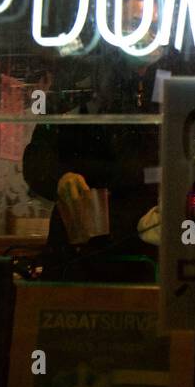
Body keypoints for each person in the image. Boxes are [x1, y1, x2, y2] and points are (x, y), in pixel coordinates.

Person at [22, 55, 160, 281]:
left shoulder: (171, 76)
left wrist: (177, 207)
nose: (146, 35)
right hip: (80, 253)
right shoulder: (79, 80)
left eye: (154, 26)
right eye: (132, 24)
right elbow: (37, 158)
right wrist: (59, 179)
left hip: (142, 255)